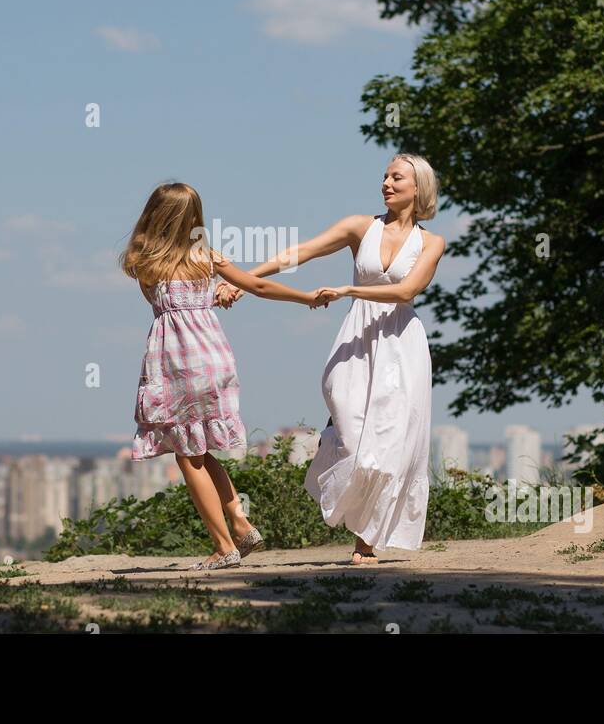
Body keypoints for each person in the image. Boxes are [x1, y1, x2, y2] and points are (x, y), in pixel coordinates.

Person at [215, 155, 445, 564]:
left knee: (390, 445)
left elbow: (406, 291)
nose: (386, 183)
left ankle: (365, 543)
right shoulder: (361, 226)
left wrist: (348, 291)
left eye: (397, 177)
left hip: (401, 345)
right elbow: (300, 253)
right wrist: (244, 282)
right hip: (356, 338)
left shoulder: (432, 243)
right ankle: (333, 442)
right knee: (353, 435)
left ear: (418, 188)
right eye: (385, 176)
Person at [121, 182, 332, 570]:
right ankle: (239, 520)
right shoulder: (208, 259)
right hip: (215, 359)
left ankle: (223, 547)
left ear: (153, 216)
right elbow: (259, 285)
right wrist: (306, 298)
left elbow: (156, 301)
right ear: (194, 219)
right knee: (198, 448)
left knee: (187, 454)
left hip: (176, 362)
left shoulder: (145, 264)